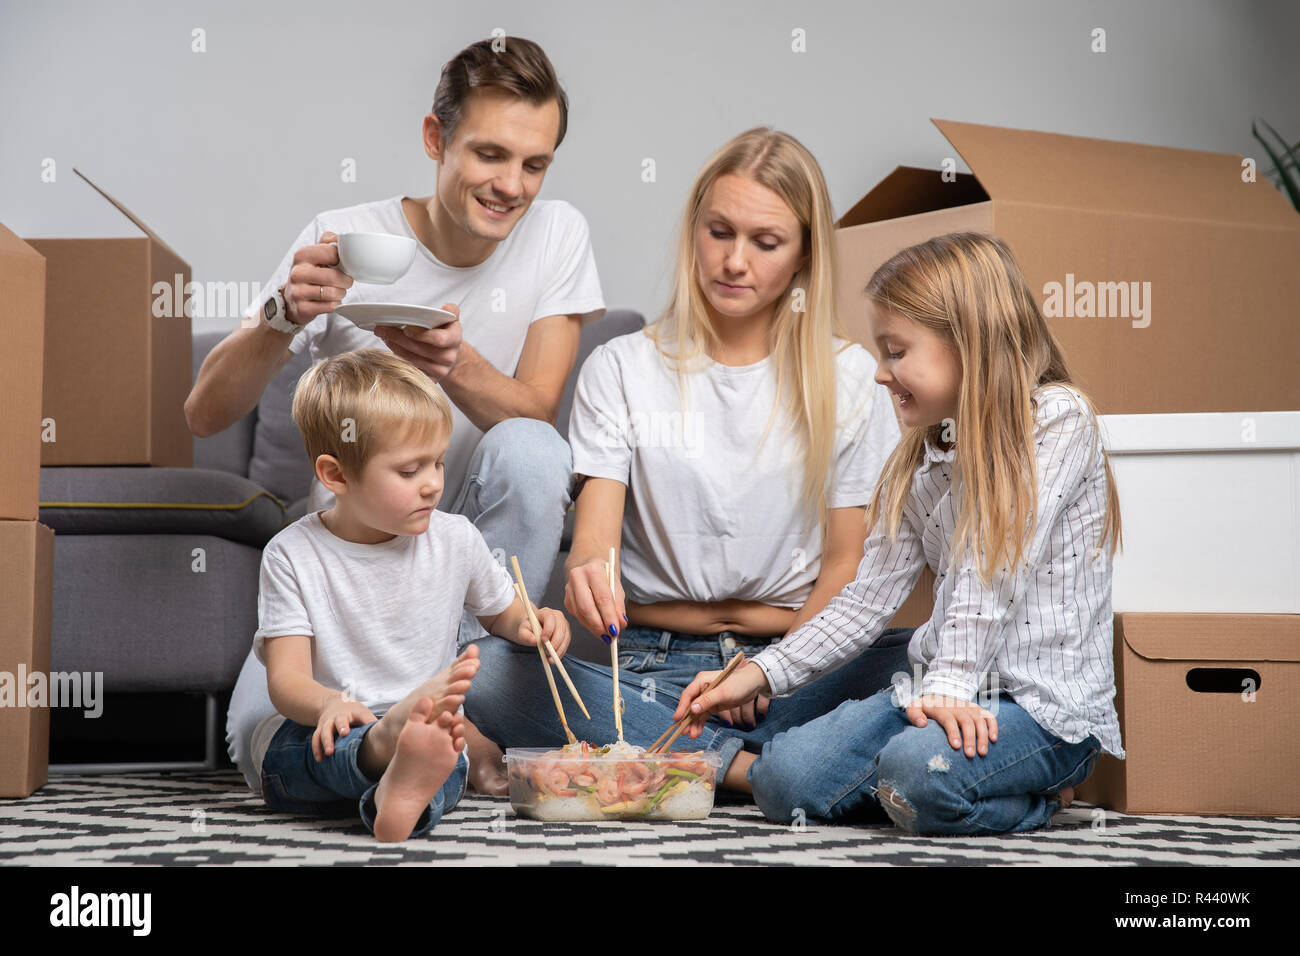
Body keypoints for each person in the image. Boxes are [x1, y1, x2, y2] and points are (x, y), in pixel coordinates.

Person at [210, 36, 603, 791]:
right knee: (255, 748)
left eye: (535, 163)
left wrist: (450, 363)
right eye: (490, 155)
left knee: (533, 449)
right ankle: (423, 726)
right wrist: (281, 315)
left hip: (464, 561)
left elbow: (534, 414)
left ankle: (437, 699)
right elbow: (207, 411)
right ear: (435, 138)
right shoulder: (346, 235)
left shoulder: (558, 234)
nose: (512, 185)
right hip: (352, 556)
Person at [465, 127, 911, 786]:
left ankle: (705, 765)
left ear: (803, 255)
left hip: (805, 664)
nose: (735, 262)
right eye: (719, 232)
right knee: (486, 673)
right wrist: (589, 571)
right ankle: (766, 772)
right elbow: (595, 540)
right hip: (655, 676)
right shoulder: (622, 367)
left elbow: (849, 564)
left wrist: (776, 668)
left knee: (928, 661)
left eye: (766, 242)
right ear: (693, 231)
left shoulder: (850, 376)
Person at [674, 232, 1126, 835]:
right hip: (939, 692)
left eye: (895, 352)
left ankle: (1044, 793)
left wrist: (947, 686)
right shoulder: (921, 456)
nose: (881, 375)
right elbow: (864, 603)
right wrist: (751, 674)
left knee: (918, 772)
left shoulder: (1058, 420)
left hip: (1042, 711)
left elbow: (989, 566)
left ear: (968, 344)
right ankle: (917, 788)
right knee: (784, 782)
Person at [252, 349, 571, 841]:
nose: (432, 486)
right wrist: (328, 705)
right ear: (336, 475)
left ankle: (397, 788)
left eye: (438, 464)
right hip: (335, 723)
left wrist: (536, 622)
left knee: (445, 760)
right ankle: (381, 751)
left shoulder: (455, 538)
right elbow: (286, 679)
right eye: (408, 471)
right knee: (295, 755)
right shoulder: (291, 554)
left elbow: (506, 615)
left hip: (428, 726)